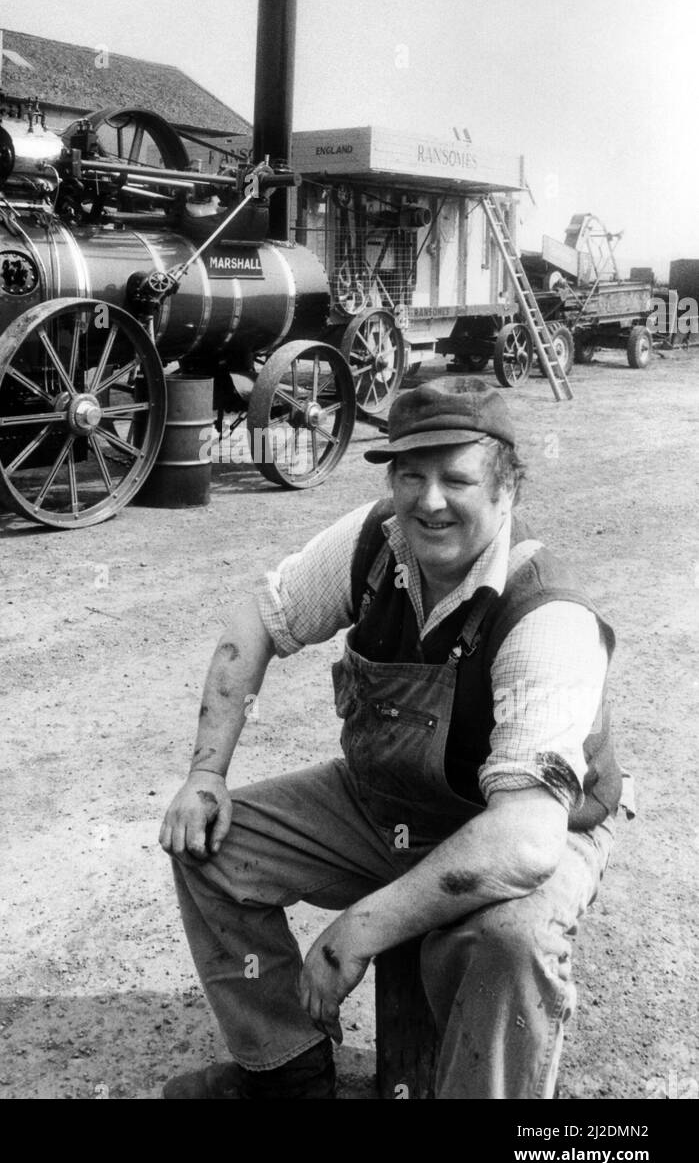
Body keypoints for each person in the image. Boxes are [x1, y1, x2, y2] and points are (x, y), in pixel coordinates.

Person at [158, 376, 623, 1099]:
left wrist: (357, 931)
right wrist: (205, 775)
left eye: (455, 478)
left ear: (506, 489)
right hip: (384, 806)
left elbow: (525, 842)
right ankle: (285, 1071)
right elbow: (257, 621)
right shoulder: (379, 541)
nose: (428, 501)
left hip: (524, 828)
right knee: (207, 846)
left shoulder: (546, 616)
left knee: (509, 941)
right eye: (411, 475)